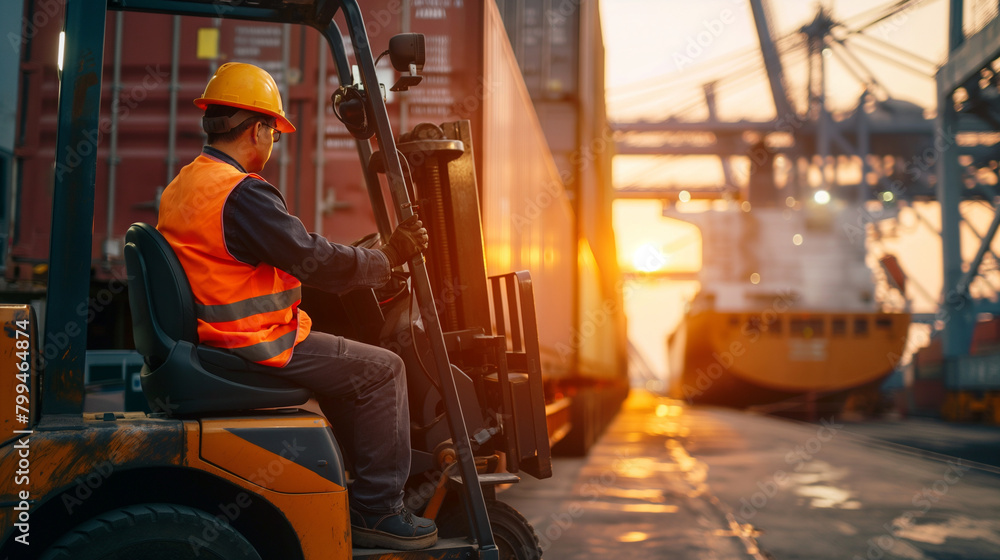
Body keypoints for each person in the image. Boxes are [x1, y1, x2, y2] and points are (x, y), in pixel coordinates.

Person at [156, 62, 437, 551]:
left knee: (349, 362)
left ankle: (353, 483)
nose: (272, 143)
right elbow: (311, 258)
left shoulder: (185, 184)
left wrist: (356, 261)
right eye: (274, 133)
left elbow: (277, 256)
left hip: (212, 331)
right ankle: (379, 510)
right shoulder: (242, 193)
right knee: (383, 369)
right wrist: (387, 257)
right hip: (254, 341)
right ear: (259, 128)